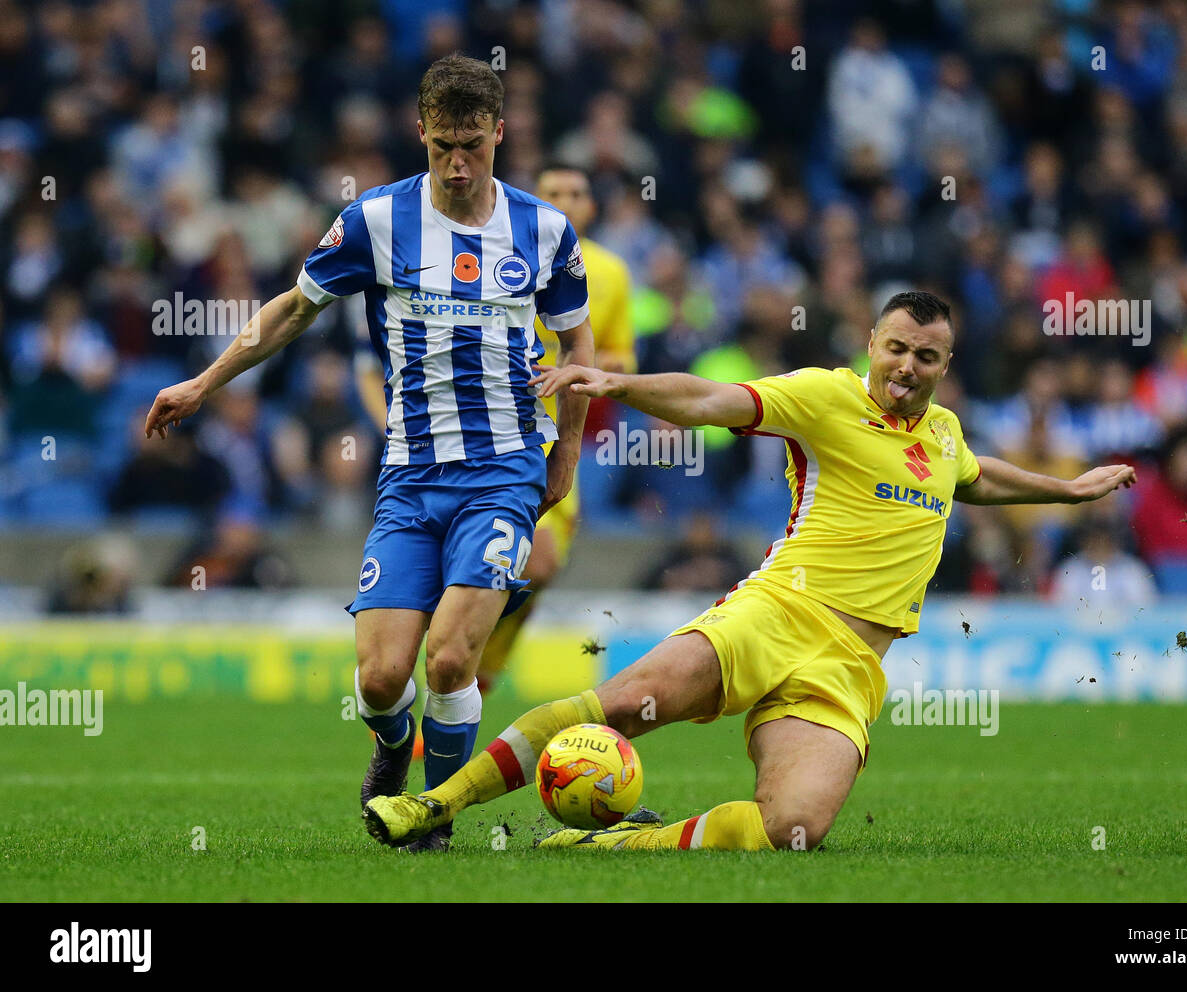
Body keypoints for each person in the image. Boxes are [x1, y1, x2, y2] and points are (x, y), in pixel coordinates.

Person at [362, 290, 1136, 852]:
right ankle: (435, 804)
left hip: (850, 667)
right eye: (896, 348)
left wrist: (1065, 488)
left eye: (925, 356)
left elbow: (974, 478)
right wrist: (620, 387)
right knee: (627, 701)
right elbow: (707, 401)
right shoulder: (823, 396)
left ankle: (615, 846)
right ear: (872, 341)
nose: (906, 366)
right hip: (776, 614)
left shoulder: (942, 433)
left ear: (944, 364)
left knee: (794, 829)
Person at [144, 54, 595, 852]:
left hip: (504, 471)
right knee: (384, 680)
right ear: (420, 133)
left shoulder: (545, 230)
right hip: (411, 477)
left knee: (453, 658)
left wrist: (564, 458)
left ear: (500, 134)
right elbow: (292, 310)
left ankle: (435, 814)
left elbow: (577, 342)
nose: (458, 166)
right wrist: (205, 382)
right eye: (442, 147)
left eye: (474, 147)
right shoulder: (375, 221)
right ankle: (392, 748)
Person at [355, 162, 635, 693]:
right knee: (511, 559)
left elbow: (619, 357)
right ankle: (448, 647)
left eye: (577, 191)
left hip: (551, 428)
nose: (567, 200)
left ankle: (481, 664)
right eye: (555, 191)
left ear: (592, 205)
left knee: (543, 563)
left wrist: (581, 370)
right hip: (480, 425)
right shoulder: (512, 240)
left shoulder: (611, 273)